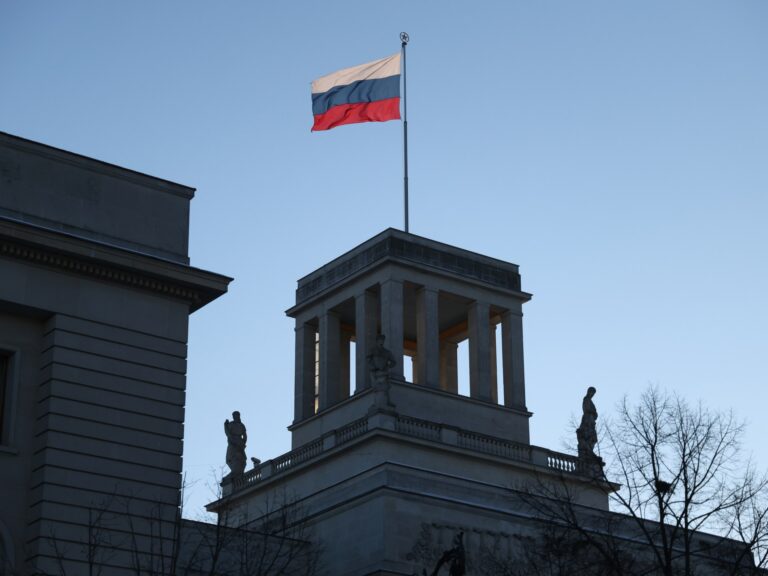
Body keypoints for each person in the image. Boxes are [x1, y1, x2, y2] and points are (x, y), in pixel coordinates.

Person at [576, 387, 598, 459]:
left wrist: (594, 414)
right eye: (592, 392)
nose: (592, 395)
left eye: (593, 393)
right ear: (589, 392)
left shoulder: (590, 401)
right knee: (588, 435)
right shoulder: (586, 399)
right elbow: (587, 409)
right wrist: (594, 413)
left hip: (591, 420)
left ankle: (589, 450)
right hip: (588, 419)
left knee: (593, 437)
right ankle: (588, 451)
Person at [224, 411, 247, 476]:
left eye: (236, 416)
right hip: (234, 442)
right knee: (230, 458)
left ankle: (236, 471)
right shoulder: (233, 424)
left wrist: (243, 443)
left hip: (235, 442)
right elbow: (228, 434)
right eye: (234, 416)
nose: (235, 417)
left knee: (236, 457)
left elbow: (245, 436)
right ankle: (235, 471)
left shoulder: (241, 425)